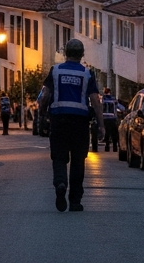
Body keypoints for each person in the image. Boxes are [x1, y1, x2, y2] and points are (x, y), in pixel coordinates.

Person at [37, 38, 104, 212]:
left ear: (66, 53)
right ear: (82, 54)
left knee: (59, 157)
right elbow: (95, 100)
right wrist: (101, 124)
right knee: (78, 161)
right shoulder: (87, 73)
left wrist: (41, 114)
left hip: (59, 121)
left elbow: (44, 95)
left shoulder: (55, 70)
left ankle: (60, 183)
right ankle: (75, 201)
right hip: (80, 123)